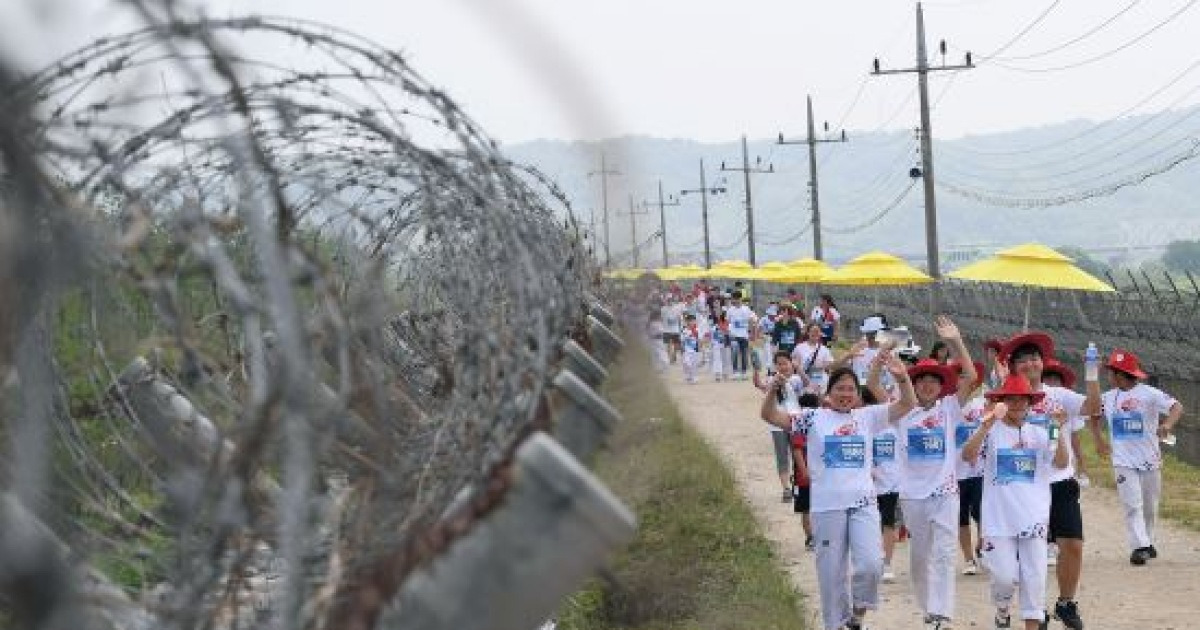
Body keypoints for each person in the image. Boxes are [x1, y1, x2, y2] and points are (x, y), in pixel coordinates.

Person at [760, 355, 917, 630]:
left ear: (857, 394)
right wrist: (773, 389)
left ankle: (856, 617)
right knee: (831, 575)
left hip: (863, 504)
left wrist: (903, 378)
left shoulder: (868, 416)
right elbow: (770, 415)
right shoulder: (812, 418)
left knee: (870, 564)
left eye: (850, 389)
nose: (845, 394)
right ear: (828, 392)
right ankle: (836, 625)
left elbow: (907, 404)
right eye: (839, 388)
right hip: (827, 507)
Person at [996, 332, 1096, 630]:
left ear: (1044, 363)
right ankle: (1034, 611)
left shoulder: (1057, 395)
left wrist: (1091, 373)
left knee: (1073, 544)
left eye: (1035, 358)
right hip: (1024, 485)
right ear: (1013, 366)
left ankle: (1066, 603)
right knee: (1030, 553)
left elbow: (1093, 408)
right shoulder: (1005, 399)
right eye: (1023, 360)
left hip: (1059, 479)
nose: (1030, 364)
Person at [961, 374, 1071, 630]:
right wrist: (985, 426)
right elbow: (968, 456)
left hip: (1034, 518)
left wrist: (1058, 428)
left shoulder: (1042, 433)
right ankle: (1002, 610)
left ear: (1030, 402)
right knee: (1004, 579)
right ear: (1001, 401)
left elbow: (1062, 462)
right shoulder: (990, 431)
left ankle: (1031, 622)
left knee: (1034, 580)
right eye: (1011, 399)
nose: (1017, 405)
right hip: (998, 520)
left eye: (1023, 400)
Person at [895, 316, 978, 630]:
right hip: (912, 496)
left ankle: (942, 614)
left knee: (944, 553)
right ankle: (929, 607)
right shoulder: (902, 411)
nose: (928, 384)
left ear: (940, 385)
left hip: (945, 492)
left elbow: (969, 376)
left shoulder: (948, 409)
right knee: (919, 558)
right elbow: (874, 388)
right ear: (914, 384)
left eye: (934, 380)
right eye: (922, 380)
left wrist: (956, 341)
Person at [1088, 349, 1183, 566]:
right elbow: (1093, 414)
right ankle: (1139, 546)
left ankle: (1147, 542)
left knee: (1150, 506)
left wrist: (1167, 424)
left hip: (1150, 458)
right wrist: (1098, 440)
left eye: (1110, 373)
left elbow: (1177, 406)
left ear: (1119, 374)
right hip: (1122, 461)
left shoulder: (1149, 394)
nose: (1108, 377)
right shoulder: (1108, 397)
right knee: (1132, 504)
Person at [951, 360, 987, 577]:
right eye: (960, 375)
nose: (963, 379)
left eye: (967, 375)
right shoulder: (947, 405)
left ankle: (983, 548)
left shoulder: (984, 403)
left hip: (981, 470)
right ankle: (968, 558)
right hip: (955, 473)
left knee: (984, 515)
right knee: (961, 517)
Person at [794, 392, 822, 548]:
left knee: (809, 509)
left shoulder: (801, 424)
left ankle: (812, 536)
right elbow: (797, 450)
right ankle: (811, 537)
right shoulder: (802, 426)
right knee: (807, 508)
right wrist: (805, 472)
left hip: (809, 476)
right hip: (805, 477)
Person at [792, 322, 834, 395]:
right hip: (803, 380)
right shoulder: (799, 347)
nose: (815, 333)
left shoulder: (825, 349)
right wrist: (804, 377)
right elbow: (795, 364)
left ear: (821, 333)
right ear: (808, 333)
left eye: (817, 331)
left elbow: (829, 366)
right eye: (812, 331)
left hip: (819, 382)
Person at [727, 292, 755, 381]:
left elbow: (751, 320)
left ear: (740, 299)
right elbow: (728, 322)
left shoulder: (746, 309)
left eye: (736, 299)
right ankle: (735, 371)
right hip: (734, 335)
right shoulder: (730, 310)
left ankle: (744, 371)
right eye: (733, 299)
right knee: (734, 352)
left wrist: (750, 333)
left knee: (744, 353)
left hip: (744, 335)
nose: (734, 300)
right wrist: (729, 332)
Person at [680, 313, 701, 384]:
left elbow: (698, 340)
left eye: (693, 321)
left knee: (694, 364)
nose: (692, 322)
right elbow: (682, 341)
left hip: (694, 350)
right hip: (687, 350)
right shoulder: (684, 330)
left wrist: (699, 348)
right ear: (687, 322)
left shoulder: (696, 330)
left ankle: (693, 377)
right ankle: (688, 376)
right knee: (686, 363)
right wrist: (682, 349)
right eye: (691, 321)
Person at [661, 298, 684, 364]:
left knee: (676, 345)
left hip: (675, 329)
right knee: (668, 345)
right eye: (668, 301)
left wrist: (680, 328)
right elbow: (661, 318)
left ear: (673, 302)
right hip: (666, 330)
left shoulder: (677, 309)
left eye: (671, 301)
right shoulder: (663, 309)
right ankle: (669, 358)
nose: (670, 302)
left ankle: (674, 355)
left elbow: (680, 318)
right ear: (666, 302)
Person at [710, 313, 731, 381]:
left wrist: (726, 332)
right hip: (716, 344)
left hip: (725, 343)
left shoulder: (728, 324)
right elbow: (712, 336)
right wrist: (713, 343)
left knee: (725, 359)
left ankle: (725, 373)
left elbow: (729, 334)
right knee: (717, 359)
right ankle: (717, 374)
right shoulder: (714, 327)